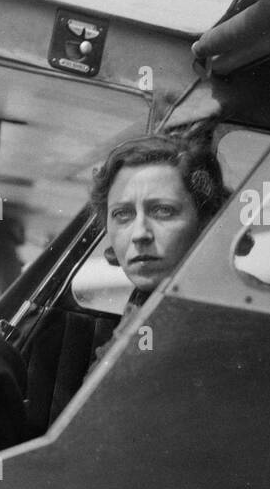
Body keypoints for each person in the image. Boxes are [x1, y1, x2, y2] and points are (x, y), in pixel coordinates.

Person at [88, 130, 230, 364]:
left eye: (163, 211)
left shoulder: (219, 325)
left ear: (206, 220)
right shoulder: (148, 300)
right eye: (122, 214)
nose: (140, 234)